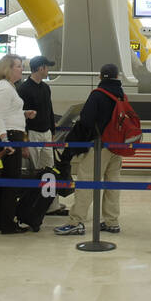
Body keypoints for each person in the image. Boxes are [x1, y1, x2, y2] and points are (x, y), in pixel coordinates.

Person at [55, 63, 127, 236]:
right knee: (112, 183)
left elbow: (86, 120)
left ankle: (76, 221)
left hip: (98, 146)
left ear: (100, 77)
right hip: (116, 146)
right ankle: (111, 221)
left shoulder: (97, 95)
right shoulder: (121, 95)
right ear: (117, 77)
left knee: (86, 182)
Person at [0, 54, 34, 234]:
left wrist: (24, 113)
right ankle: (7, 223)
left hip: (11, 135)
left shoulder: (9, 87)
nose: (21, 69)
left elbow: (8, 113)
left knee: (5, 180)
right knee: (10, 181)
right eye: (18, 66)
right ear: (8, 68)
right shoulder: (4, 89)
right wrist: (5, 141)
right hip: (8, 138)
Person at [18, 55, 68, 216]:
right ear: (41, 68)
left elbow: (49, 110)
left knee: (49, 170)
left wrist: (52, 133)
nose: (48, 70)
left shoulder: (45, 88)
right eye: (47, 67)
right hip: (32, 134)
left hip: (46, 133)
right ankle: (34, 205)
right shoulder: (24, 89)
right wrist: (24, 142)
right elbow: (20, 118)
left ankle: (51, 205)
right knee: (34, 171)